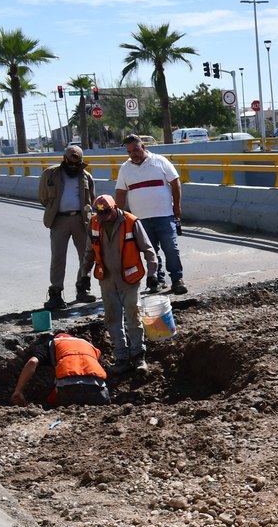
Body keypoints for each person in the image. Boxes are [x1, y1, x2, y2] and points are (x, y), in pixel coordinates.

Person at [82, 194, 157, 374]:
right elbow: (89, 251)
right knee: (112, 321)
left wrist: (152, 274)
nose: (103, 219)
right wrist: (84, 275)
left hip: (129, 281)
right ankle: (122, 357)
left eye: (107, 214)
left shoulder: (131, 222)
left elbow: (148, 250)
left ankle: (138, 356)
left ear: (115, 208)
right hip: (107, 282)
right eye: (100, 215)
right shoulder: (95, 222)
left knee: (134, 319)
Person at [115, 134, 186, 295]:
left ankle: (177, 279)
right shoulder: (125, 168)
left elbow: (175, 183)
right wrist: (118, 216)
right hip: (140, 220)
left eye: (135, 150)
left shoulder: (160, 161)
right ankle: (157, 280)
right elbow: (120, 192)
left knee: (171, 248)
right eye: (129, 152)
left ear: (143, 147)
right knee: (150, 252)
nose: (133, 154)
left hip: (164, 215)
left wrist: (177, 207)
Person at [38, 145, 98, 311]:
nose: (73, 166)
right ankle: (56, 293)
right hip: (59, 220)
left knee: (86, 255)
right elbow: (43, 197)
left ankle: (82, 288)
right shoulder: (50, 174)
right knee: (58, 257)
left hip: (81, 220)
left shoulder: (86, 176)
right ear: (64, 159)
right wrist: (55, 211)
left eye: (76, 164)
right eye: (70, 163)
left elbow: (91, 198)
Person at [11, 332, 110, 407]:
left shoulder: (53, 344)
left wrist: (18, 390)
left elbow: (33, 362)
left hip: (68, 388)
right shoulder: (88, 344)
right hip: (98, 387)